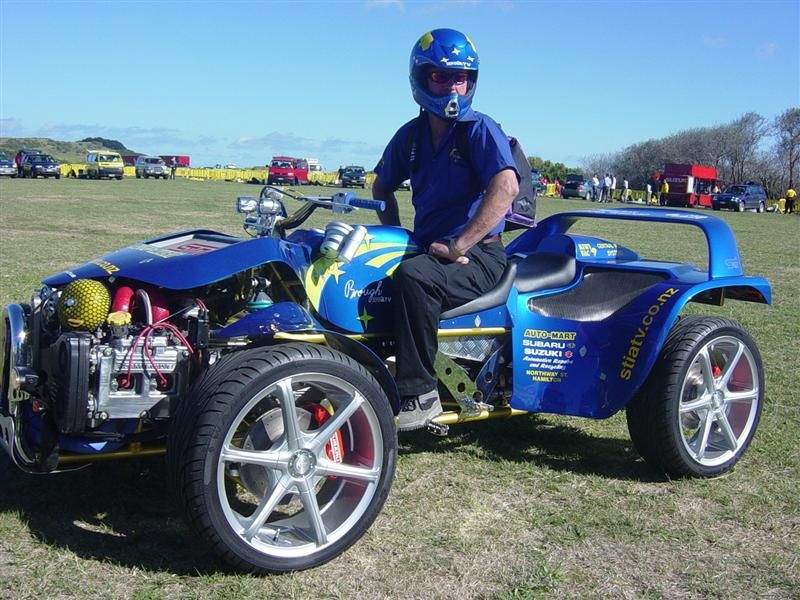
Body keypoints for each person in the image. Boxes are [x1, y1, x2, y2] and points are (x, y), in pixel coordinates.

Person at [372, 28, 519, 431]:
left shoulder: (478, 129)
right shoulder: (411, 136)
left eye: (461, 77)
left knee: (415, 277)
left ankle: (420, 396)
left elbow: (506, 186)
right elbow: (382, 185)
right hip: (431, 250)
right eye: (441, 75)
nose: (453, 85)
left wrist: (459, 244)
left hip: (481, 255)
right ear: (421, 78)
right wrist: (397, 236)